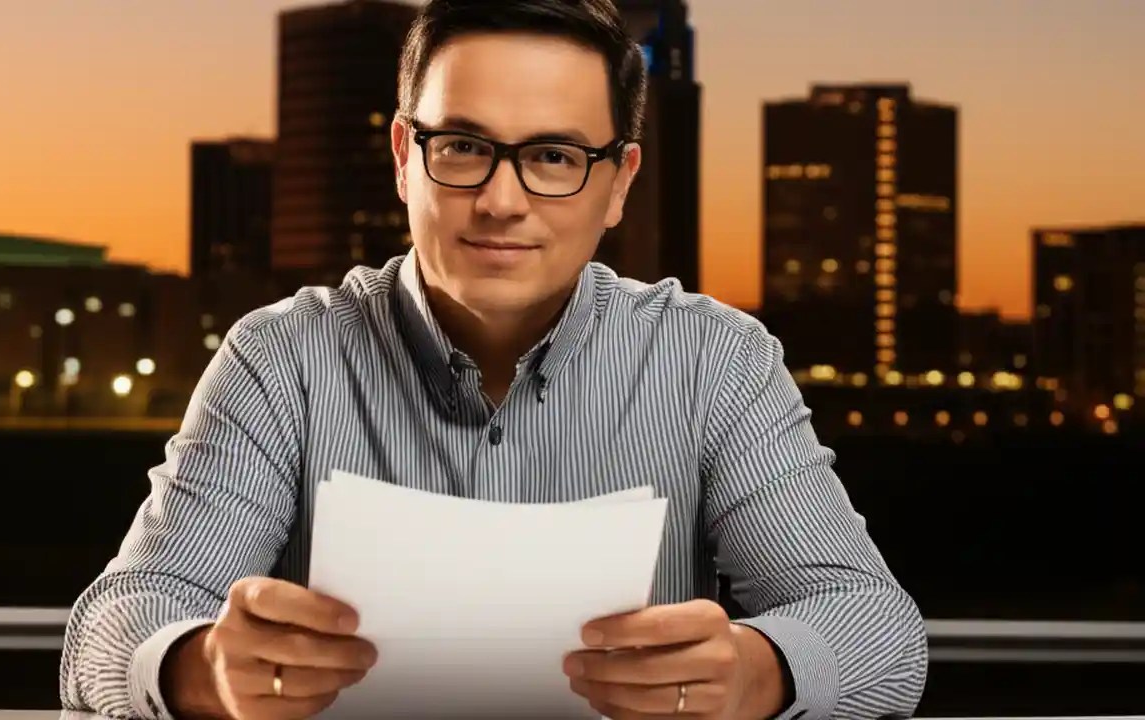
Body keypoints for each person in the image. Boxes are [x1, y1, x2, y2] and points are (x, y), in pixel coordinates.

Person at [60, 0, 928, 718]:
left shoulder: (714, 361)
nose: (501, 201)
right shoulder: (282, 356)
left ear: (620, 180)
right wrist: (199, 669)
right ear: (405, 156)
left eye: (553, 155)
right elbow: (113, 624)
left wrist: (756, 670)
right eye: (465, 147)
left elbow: (878, 629)